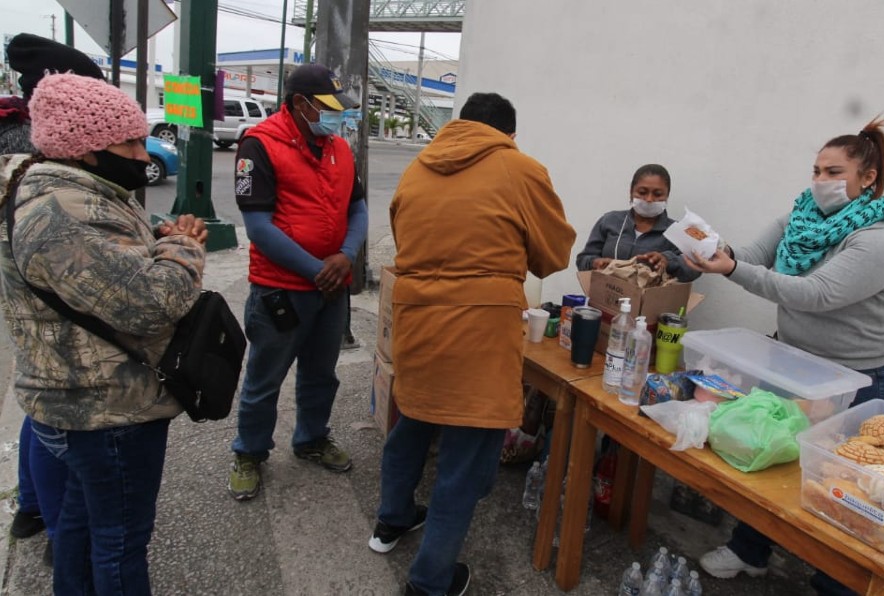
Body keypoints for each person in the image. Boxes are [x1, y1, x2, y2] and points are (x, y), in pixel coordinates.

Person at [0, 73, 206, 595]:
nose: (142, 154)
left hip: (86, 397)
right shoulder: (61, 212)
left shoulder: (76, 192)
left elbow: (105, 274)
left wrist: (152, 242)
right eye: (130, 142)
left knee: (83, 524)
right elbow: (151, 304)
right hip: (106, 407)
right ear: (85, 149)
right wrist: (183, 246)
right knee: (119, 540)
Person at [688, 117, 884, 596]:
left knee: (843, 494)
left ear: (867, 178)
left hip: (857, 380)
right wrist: (709, 250)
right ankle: (751, 551)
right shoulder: (799, 218)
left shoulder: (879, 242)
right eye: (816, 170)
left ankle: (834, 584)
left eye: (834, 172)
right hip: (791, 364)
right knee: (768, 462)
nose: (821, 182)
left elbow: (816, 294)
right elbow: (749, 254)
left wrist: (732, 270)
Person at [369, 92, 576, 595]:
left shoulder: (419, 166)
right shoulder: (520, 168)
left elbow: (403, 235)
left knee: (413, 421)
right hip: (480, 326)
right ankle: (429, 581)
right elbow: (552, 254)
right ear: (509, 135)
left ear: (461, 125)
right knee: (464, 456)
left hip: (418, 319)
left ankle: (391, 520)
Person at [227, 63, 368, 501]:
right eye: (328, 108)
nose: (337, 117)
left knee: (322, 374)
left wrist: (345, 256)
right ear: (301, 103)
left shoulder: (339, 149)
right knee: (265, 378)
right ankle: (249, 453)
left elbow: (358, 209)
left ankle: (311, 438)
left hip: (331, 289)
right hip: (281, 289)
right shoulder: (259, 145)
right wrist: (317, 270)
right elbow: (258, 227)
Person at [1, 32, 110, 565]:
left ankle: (32, 509)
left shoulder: (19, 137)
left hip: (31, 305)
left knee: (39, 408)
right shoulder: (29, 146)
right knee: (54, 418)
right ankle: (59, 528)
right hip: (47, 304)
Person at [575, 164, 700, 282]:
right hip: (605, 298)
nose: (649, 199)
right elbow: (582, 260)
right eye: (642, 192)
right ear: (631, 192)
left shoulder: (677, 231)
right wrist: (595, 262)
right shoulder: (610, 220)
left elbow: (694, 270)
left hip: (651, 302)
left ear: (667, 195)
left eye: (657, 194)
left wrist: (668, 260)